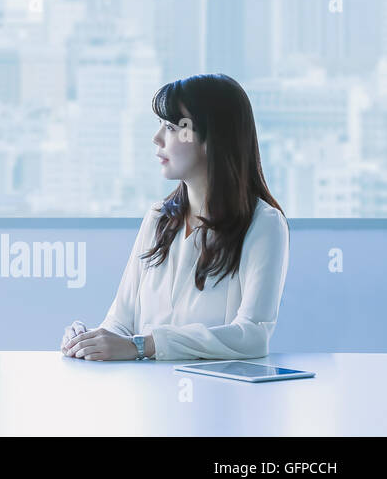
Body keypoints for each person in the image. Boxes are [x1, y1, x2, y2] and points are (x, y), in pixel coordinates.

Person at [62, 73, 289, 361]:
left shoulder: (264, 224)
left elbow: (251, 336)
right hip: (148, 395)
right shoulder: (158, 218)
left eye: (171, 127)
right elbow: (120, 323)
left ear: (212, 138)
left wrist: (144, 345)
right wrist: (88, 342)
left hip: (219, 398)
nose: (157, 139)